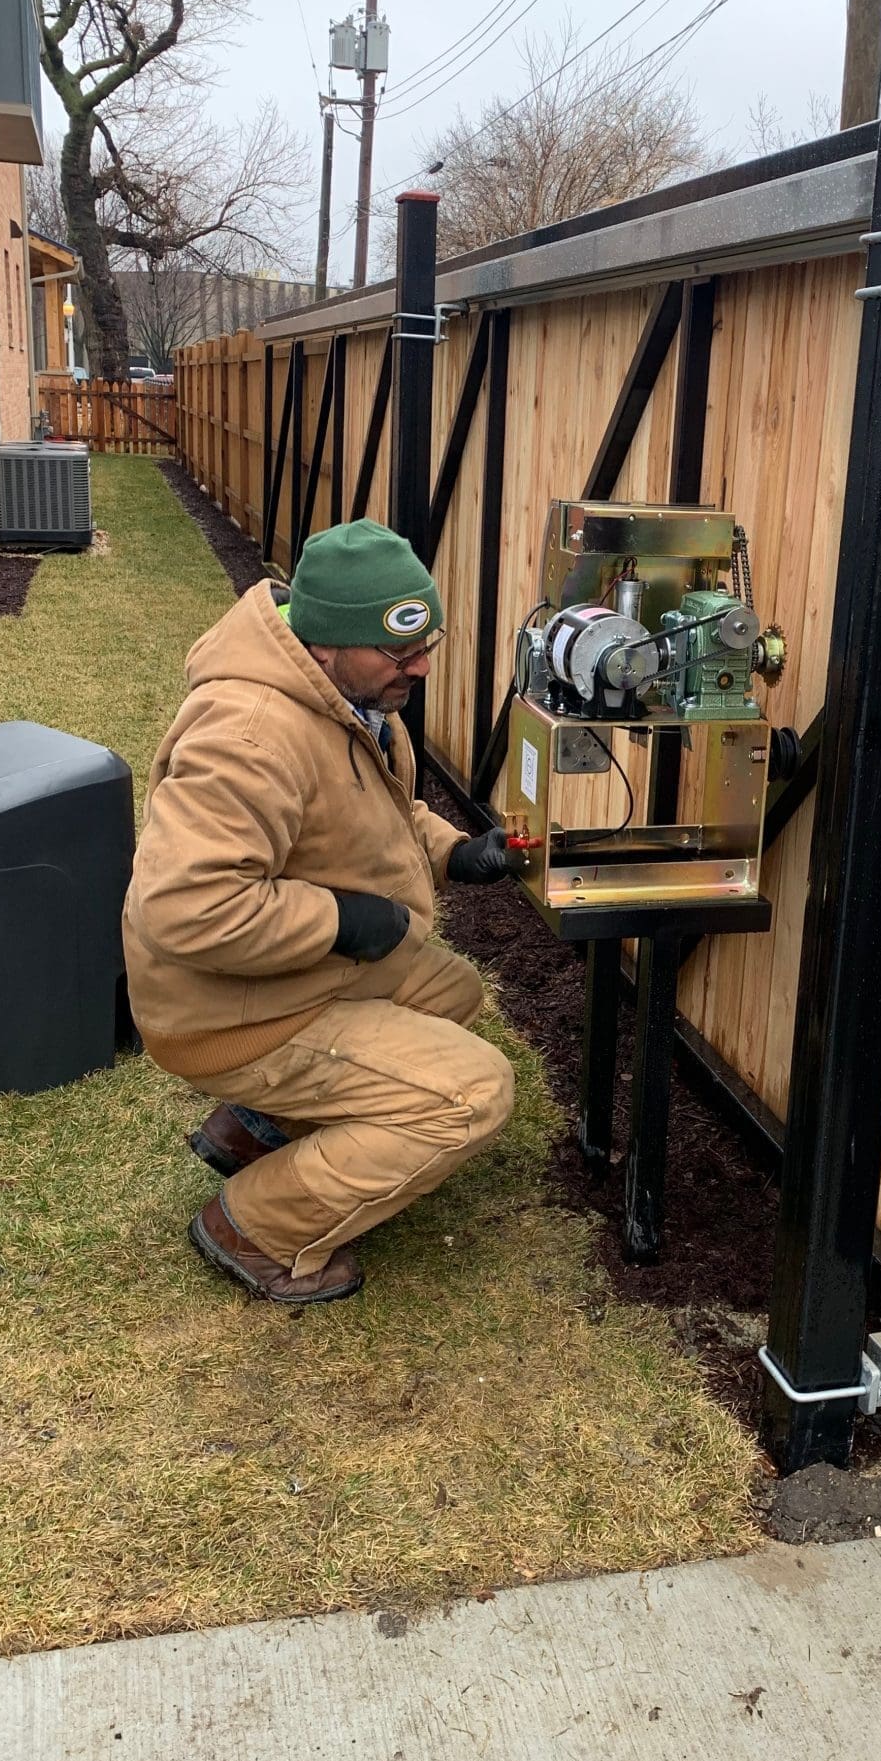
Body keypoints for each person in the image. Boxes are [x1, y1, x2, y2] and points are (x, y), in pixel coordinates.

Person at [123, 519, 516, 1306]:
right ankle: (256, 1227)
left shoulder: (340, 696)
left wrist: (450, 851)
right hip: (224, 1010)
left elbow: (377, 808)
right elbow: (186, 906)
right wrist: (339, 920)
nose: (422, 666)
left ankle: (257, 1131)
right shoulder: (251, 735)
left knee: (453, 993)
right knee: (473, 1093)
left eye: (424, 642)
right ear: (328, 643)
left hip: (281, 977)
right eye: (399, 653)